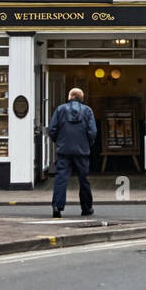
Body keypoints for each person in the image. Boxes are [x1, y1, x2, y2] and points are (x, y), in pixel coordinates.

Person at [48, 87, 97, 218]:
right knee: (84, 179)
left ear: (70, 97)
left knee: (61, 179)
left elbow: (52, 129)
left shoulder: (60, 109)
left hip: (64, 150)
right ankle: (86, 208)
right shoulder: (87, 111)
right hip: (82, 151)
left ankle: (57, 207)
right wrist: (88, 144)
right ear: (81, 98)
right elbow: (93, 132)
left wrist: (58, 142)